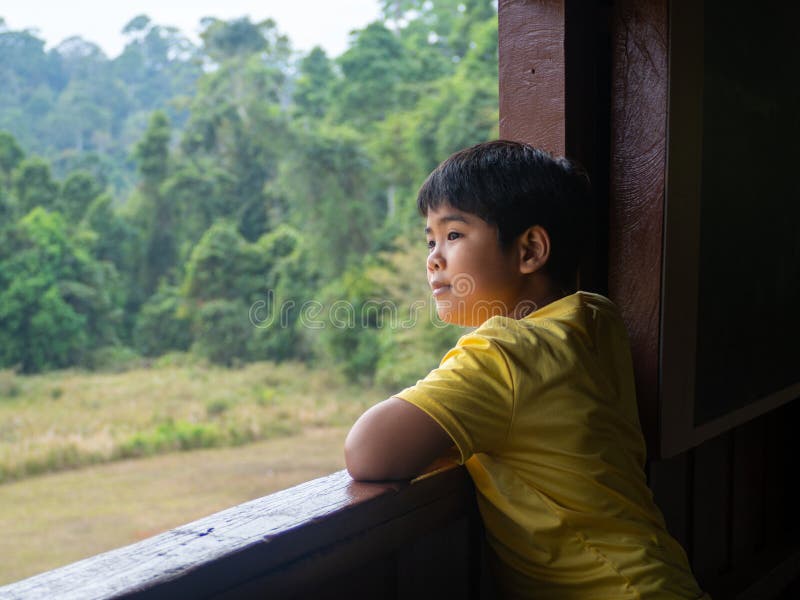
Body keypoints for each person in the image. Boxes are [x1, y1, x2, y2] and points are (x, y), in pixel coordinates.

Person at [345, 140, 707, 599]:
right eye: (430, 239)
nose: (433, 258)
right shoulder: (595, 318)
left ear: (531, 249)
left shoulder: (506, 354)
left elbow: (368, 451)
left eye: (453, 235)